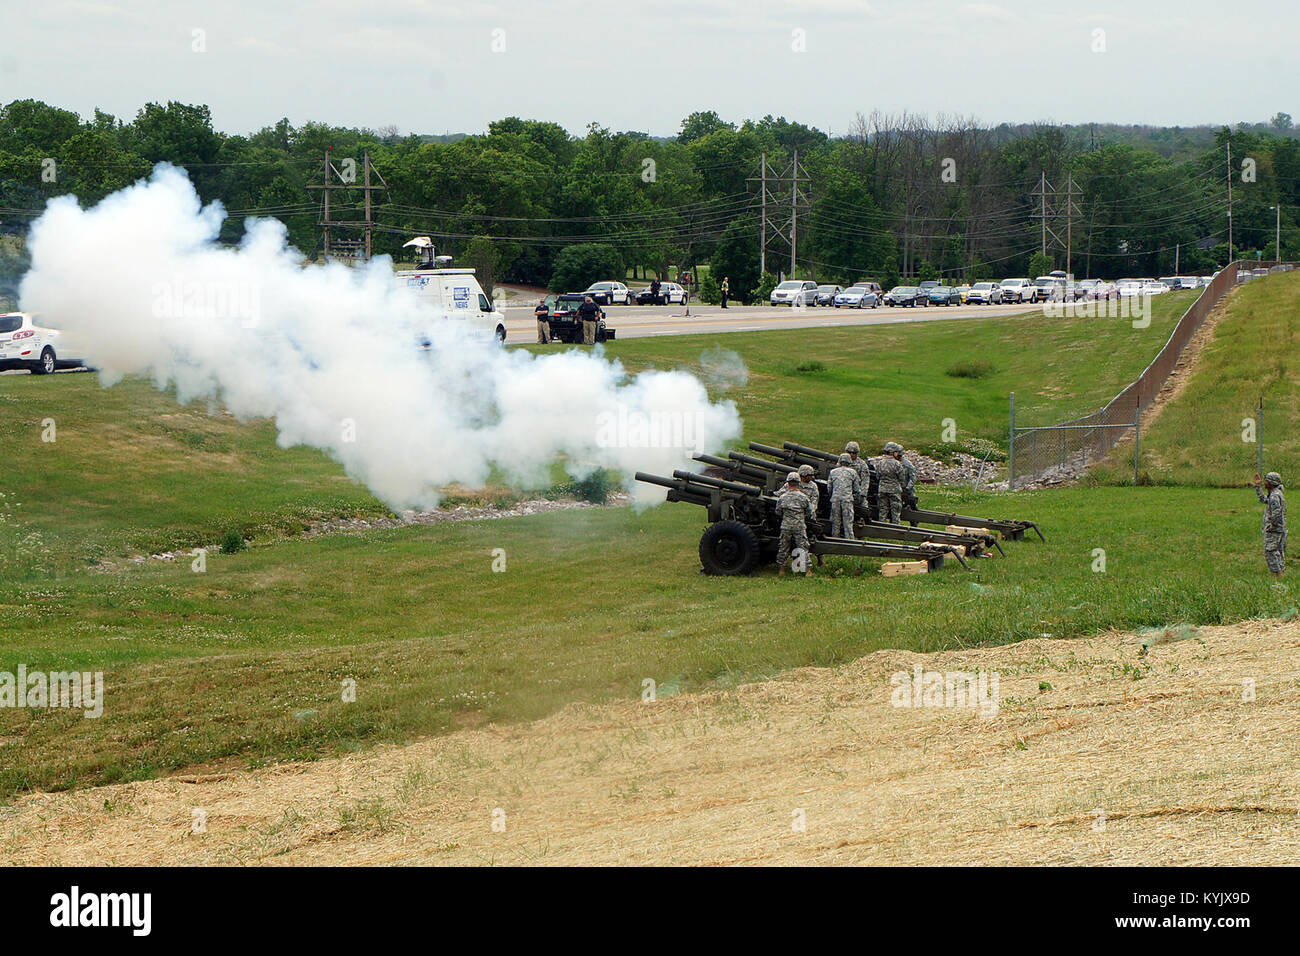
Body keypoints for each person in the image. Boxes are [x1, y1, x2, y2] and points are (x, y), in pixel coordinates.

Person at [776, 472, 815, 577]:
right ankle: (807, 571)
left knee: (783, 547)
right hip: (799, 526)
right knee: (803, 547)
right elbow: (810, 512)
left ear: (788, 483)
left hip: (786, 526)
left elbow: (778, 512)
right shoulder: (804, 497)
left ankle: (782, 569)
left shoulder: (782, 497)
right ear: (798, 483)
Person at [1254, 471, 1287, 575]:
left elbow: (1277, 512)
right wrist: (1258, 487)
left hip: (1274, 529)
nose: (1265, 482)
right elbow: (1264, 500)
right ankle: (1281, 572)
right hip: (1279, 528)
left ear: (1271, 483)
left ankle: (1277, 574)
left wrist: (1272, 525)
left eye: (1266, 481)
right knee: (1279, 551)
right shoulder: (1275, 494)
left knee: (1270, 551)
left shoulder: (1274, 496)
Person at [827, 453, 860, 539]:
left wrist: (832, 495)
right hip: (847, 500)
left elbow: (829, 487)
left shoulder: (833, 472)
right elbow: (856, 489)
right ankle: (849, 541)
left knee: (835, 522)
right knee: (848, 522)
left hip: (835, 499)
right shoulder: (853, 472)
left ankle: (835, 539)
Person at [874, 442, 908, 524]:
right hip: (894, 490)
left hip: (882, 489)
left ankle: (882, 528)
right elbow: (902, 479)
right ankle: (895, 529)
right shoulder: (897, 464)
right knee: (895, 511)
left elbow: (877, 476)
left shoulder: (880, 463)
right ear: (893, 452)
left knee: (882, 510)